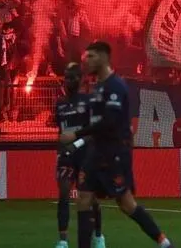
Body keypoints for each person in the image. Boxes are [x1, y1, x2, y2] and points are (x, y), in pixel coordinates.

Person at [59, 41, 174, 248]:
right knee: (83, 199)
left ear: (104, 57)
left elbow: (109, 122)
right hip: (95, 152)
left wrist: (75, 134)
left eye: (92, 56)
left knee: (126, 204)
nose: (87, 60)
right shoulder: (97, 87)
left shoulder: (115, 86)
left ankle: (164, 242)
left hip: (114, 153)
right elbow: (95, 123)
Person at [55, 63, 104, 248]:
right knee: (64, 194)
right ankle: (62, 241)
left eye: (74, 77)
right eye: (67, 77)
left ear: (81, 79)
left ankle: (98, 236)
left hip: (86, 155)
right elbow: (61, 131)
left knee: (91, 199)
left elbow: (93, 132)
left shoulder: (88, 101)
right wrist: (60, 149)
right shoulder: (60, 104)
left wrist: (76, 143)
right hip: (66, 156)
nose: (70, 81)